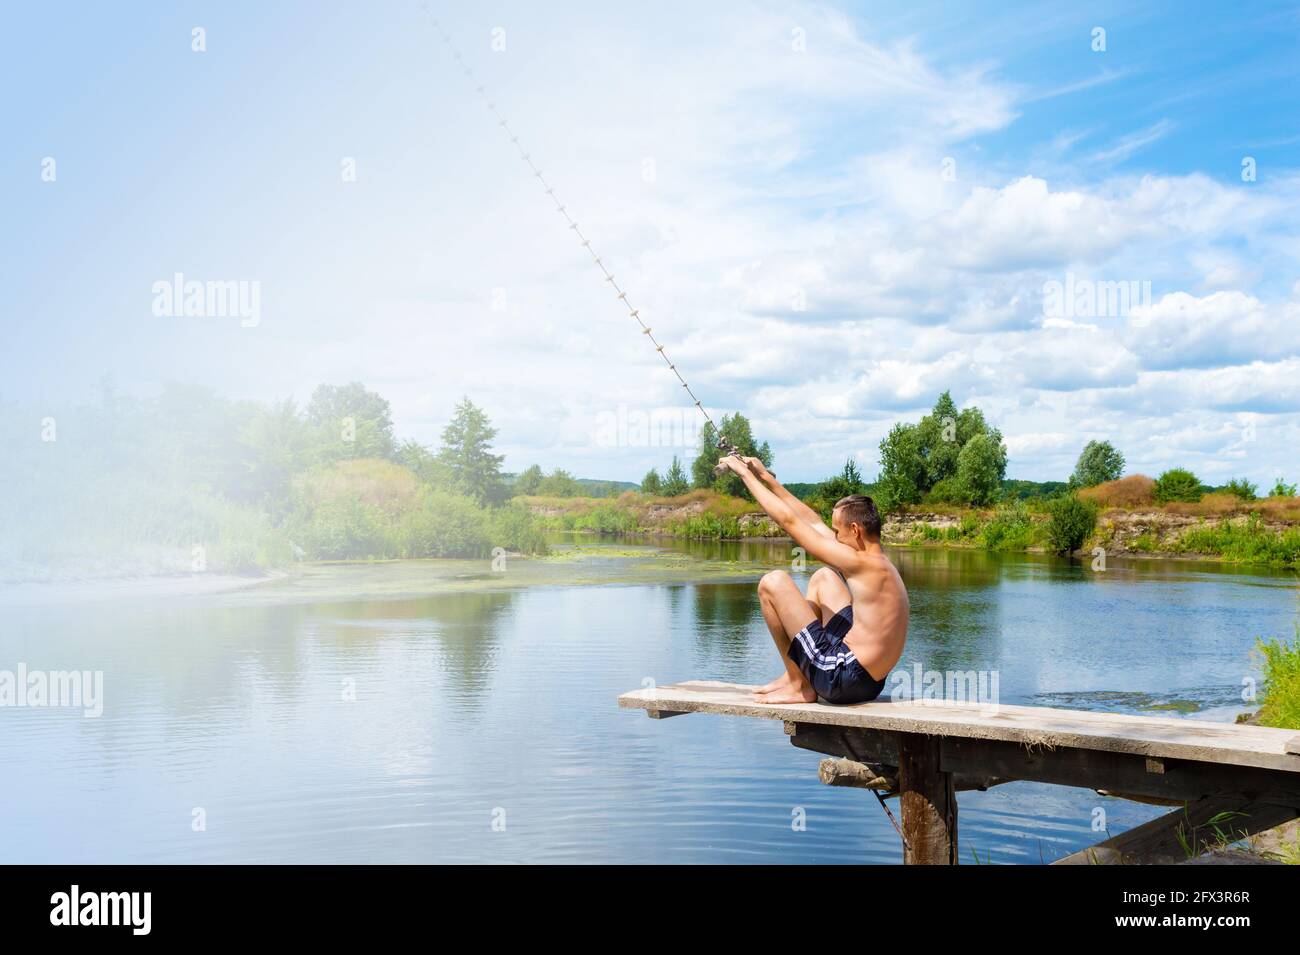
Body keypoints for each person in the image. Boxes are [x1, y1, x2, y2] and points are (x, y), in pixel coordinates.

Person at [716, 456, 909, 705]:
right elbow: (813, 523)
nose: (835, 537)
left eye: (838, 531)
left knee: (772, 583)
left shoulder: (862, 564)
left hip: (842, 679)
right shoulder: (878, 562)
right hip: (867, 680)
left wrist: (744, 474)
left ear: (855, 530)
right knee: (823, 578)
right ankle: (794, 674)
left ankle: (800, 686)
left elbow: (789, 521)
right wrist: (766, 478)